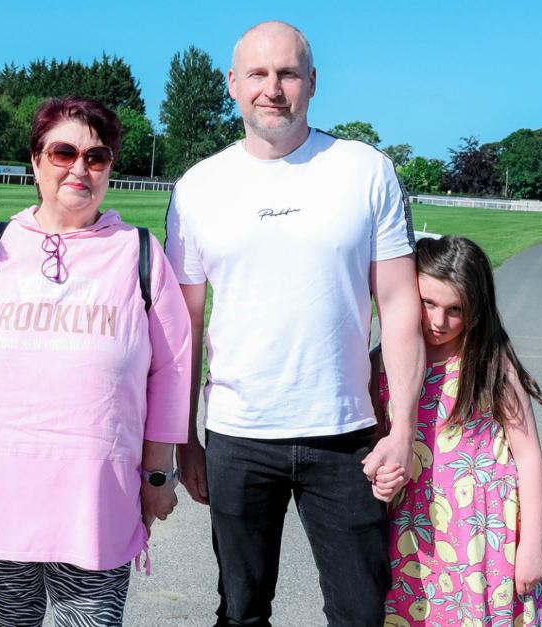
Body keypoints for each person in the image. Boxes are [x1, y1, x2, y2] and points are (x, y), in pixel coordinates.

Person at [164, 21, 425, 626]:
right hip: (238, 434)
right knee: (242, 610)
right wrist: (186, 438)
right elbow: (185, 327)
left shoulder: (366, 171)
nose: (272, 88)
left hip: (347, 435)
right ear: (233, 83)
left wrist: (402, 427)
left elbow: (400, 302)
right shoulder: (198, 187)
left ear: (312, 81)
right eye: (258, 73)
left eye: (287, 73)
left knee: (361, 612)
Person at [0, 97, 191, 626]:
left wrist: (159, 475)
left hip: (96, 498)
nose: (79, 168)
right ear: (35, 160)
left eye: (96, 157)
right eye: (63, 152)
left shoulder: (138, 251)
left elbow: (173, 369)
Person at [372, 236, 542, 625]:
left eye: (456, 309)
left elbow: (529, 456)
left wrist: (532, 545)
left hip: (483, 537)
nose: (439, 321)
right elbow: (375, 441)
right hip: (411, 531)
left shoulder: (489, 364)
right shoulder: (384, 363)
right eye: (428, 303)